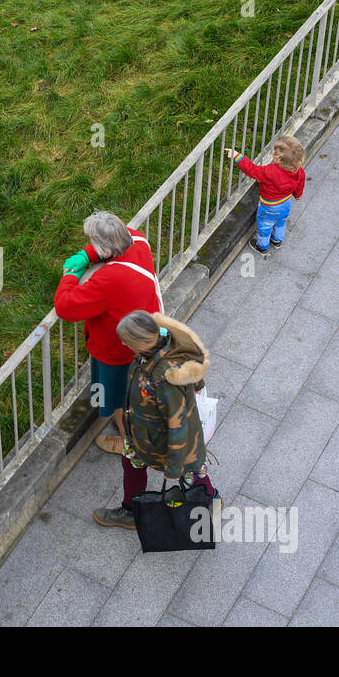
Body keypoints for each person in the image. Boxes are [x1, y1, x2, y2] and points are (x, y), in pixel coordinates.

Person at [54, 211, 162, 505]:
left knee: (117, 399)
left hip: (116, 353)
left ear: (105, 250)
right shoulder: (138, 240)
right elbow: (118, 233)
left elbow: (66, 307)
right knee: (126, 395)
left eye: (92, 243)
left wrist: (71, 274)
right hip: (142, 341)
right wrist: (88, 253)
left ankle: (127, 438)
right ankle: (124, 422)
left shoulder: (109, 279)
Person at [91, 310, 216, 530]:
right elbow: (194, 377)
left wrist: (173, 467)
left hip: (160, 442)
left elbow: (178, 425)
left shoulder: (164, 379)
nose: (123, 343)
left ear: (140, 343)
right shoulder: (164, 345)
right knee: (135, 463)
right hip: (144, 434)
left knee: (190, 471)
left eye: (126, 341)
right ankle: (209, 500)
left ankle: (134, 512)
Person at [223, 136, 307, 254]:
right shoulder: (299, 172)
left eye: (274, 152)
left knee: (264, 227)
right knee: (280, 222)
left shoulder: (271, 172)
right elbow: (300, 186)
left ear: (278, 158)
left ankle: (262, 247)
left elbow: (251, 170)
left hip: (269, 207)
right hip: (286, 203)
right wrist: (298, 195)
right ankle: (277, 240)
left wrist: (237, 156)